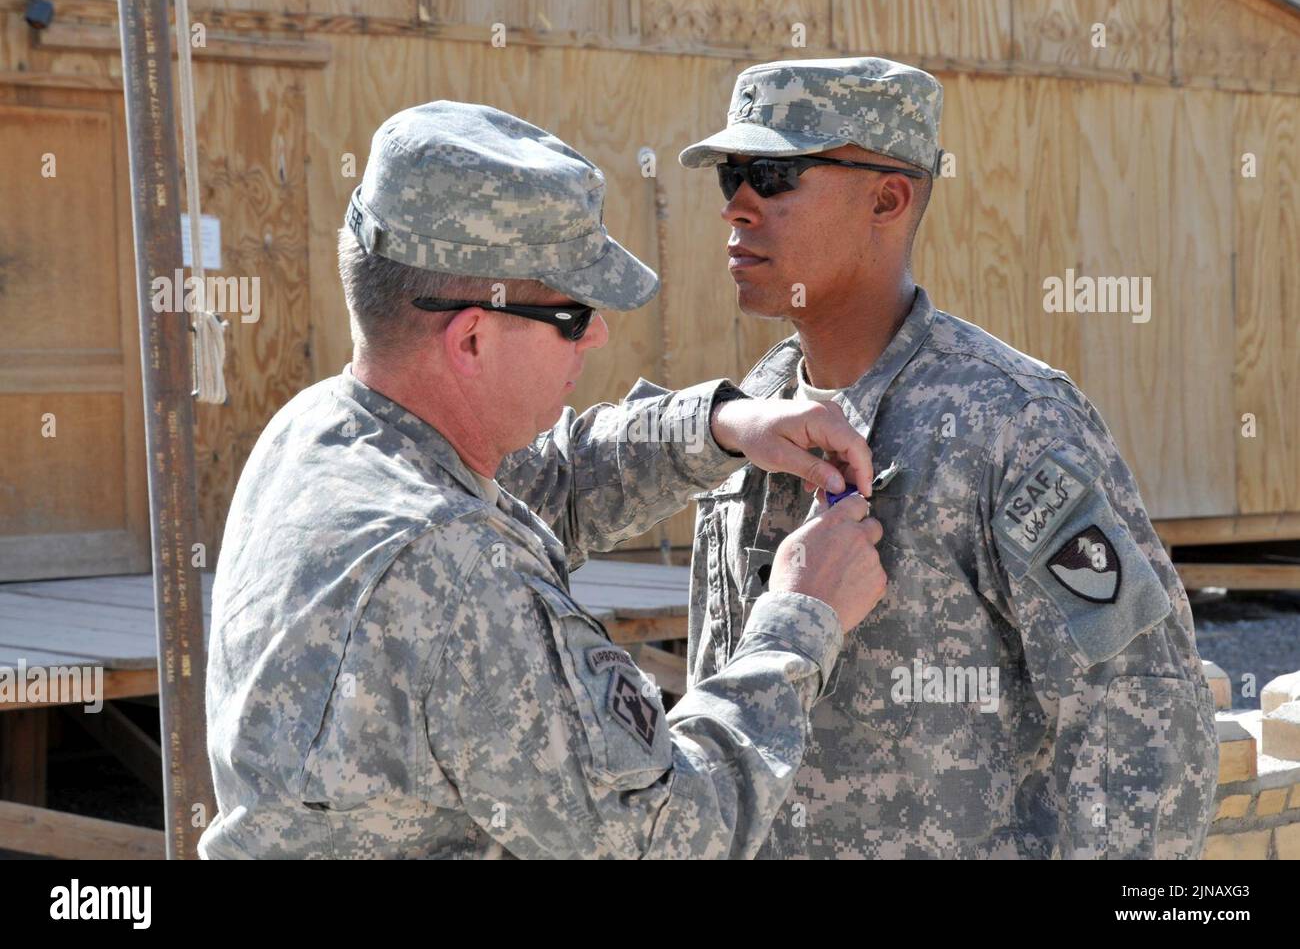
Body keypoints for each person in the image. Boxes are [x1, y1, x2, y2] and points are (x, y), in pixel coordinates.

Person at [199, 100, 886, 859]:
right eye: (572, 313)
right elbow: (665, 834)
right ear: (471, 336)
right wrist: (801, 617)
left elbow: (542, 481)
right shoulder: (455, 570)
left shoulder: (326, 427)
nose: (596, 333)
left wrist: (721, 425)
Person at [675, 57, 1218, 859]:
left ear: (887, 198)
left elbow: (1142, 729)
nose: (740, 208)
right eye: (730, 176)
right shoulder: (749, 421)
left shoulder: (1010, 423)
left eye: (774, 173)